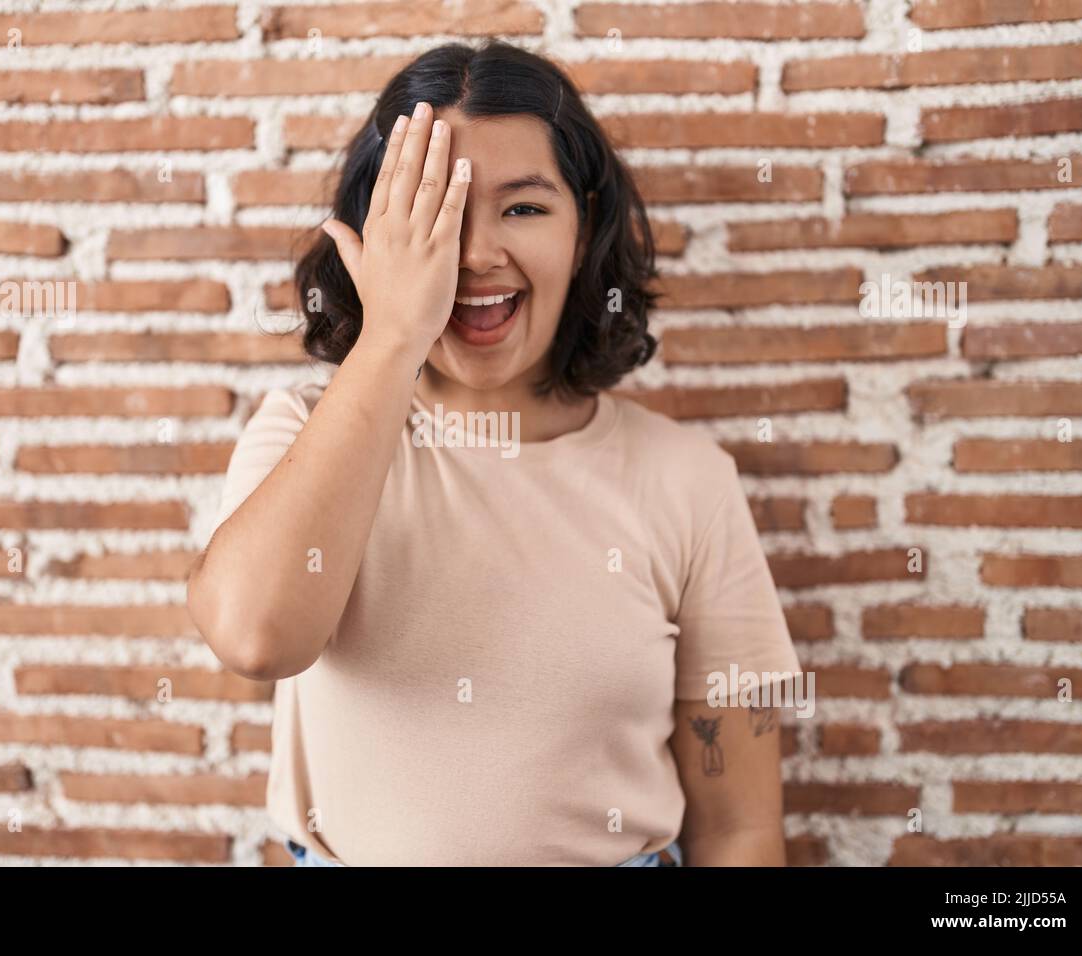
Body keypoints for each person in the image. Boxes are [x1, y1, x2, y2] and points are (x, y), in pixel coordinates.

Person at [187, 39, 802, 867]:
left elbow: (739, 826)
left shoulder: (688, 481)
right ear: (376, 236)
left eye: (523, 208)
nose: (475, 255)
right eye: (433, 209)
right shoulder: (303, 430)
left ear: (584, 231)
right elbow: (256, 637)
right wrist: (394, 334)